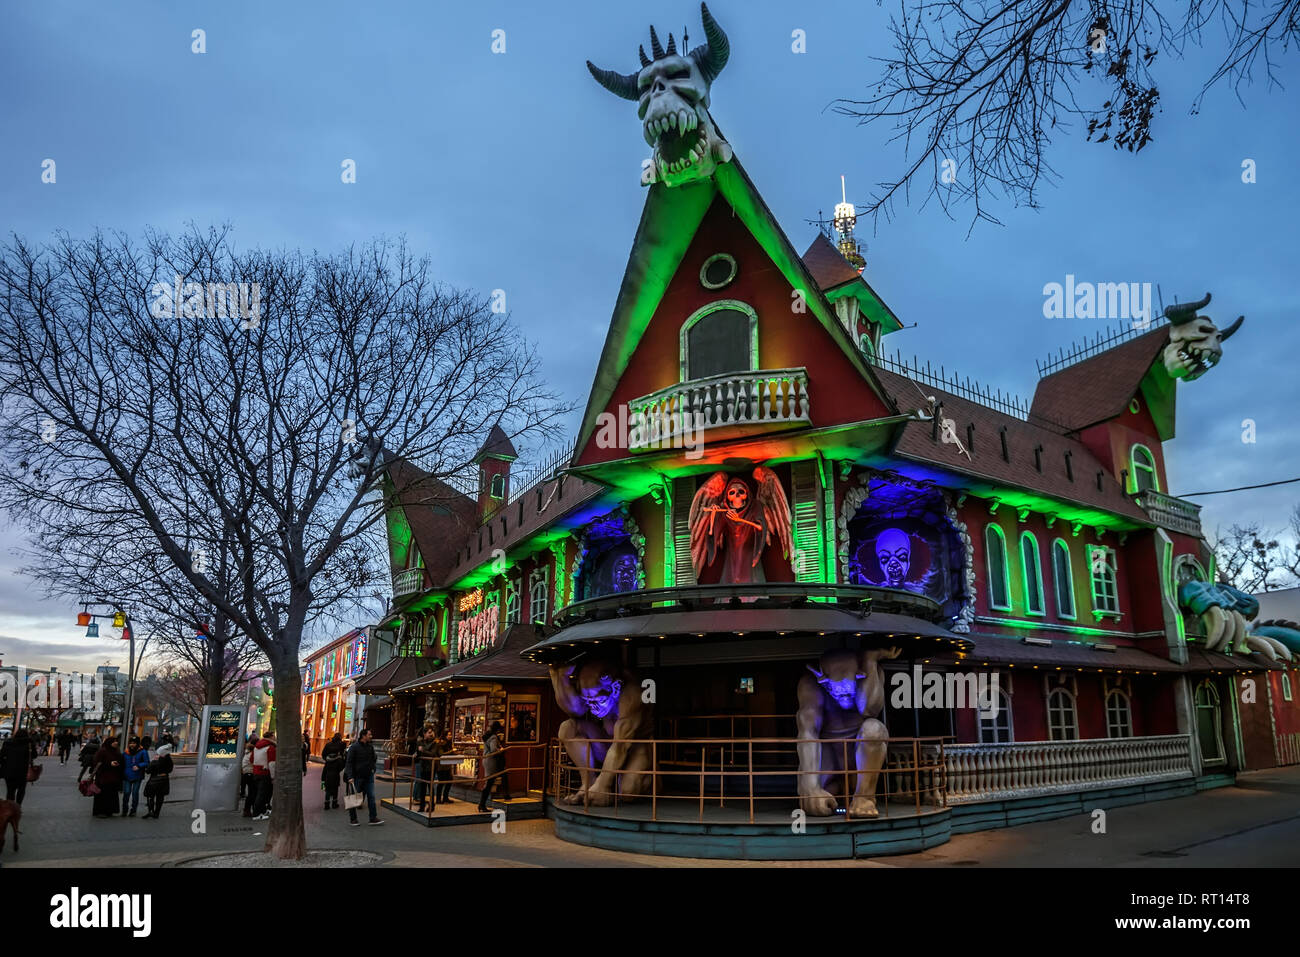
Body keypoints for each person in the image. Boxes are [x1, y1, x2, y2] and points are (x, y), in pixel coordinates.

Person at [343, 728, 382, 826]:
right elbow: (349, 763)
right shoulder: (354, 747)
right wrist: (350, 776)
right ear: (363, 736)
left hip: (368, 776)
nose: (371, 736)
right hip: (357, 776)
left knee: (371, 797)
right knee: (353, 797)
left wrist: (373, 769)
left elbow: (373, 758)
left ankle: (373, 818)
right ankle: (353, 819)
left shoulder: (370, 747)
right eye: (369, 734)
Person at [477, 722, 509, 812]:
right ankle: (482, 805)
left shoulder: (488, 736)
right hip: (492, 761)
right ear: (497, 729)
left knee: (501, 775)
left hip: (487, 760)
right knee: (489, 782)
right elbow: (493, 749)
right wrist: (501, 750)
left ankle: (506, 794)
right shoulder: (494, 737)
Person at [91, 737, 124, 818]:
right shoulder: (102, 751)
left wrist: (118, 763)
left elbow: (121, 761)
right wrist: (109, 764)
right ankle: (101, 811)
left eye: (116, 741)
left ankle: (110, 810)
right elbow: (97, 763)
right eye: (114, 741)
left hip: (113, 777)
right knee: (102, 794)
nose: (116, 743)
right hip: (103, 778)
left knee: (111, 794)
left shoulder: (116, 751)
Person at [0, 729, 35, 805]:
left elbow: (1, 756)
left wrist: (4, 764)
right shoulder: (29, 743)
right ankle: (18, 806)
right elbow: (34, 755)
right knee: (21, 790)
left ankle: (10, 807)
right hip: (23, 771)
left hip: (9, 770)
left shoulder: (7, 743)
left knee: (10, 791)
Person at [142, 742, 174, 819]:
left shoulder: (155, 761)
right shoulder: (169, 760)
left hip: (153, 781)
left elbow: (148, 771)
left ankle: (151, 811)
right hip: (164, 781)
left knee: (150, 796)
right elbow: (170, 770)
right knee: (160, 797)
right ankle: (156, 813)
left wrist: (153, 762)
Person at [251, 731, 276, 820]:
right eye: (274, 736)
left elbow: (251, 759)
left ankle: (261, 811)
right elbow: (272, 763)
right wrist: (273, 777)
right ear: (271, 737)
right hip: (265, 773)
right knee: (263, 794)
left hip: (256, 772)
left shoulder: (256, 746)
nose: (275, 737)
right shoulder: (271, 747)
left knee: (259, 793)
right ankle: (257, 814)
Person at [121, 737, 149, 817]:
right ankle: (124, 810)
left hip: (138, 776)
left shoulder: (143, 752)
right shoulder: (126, 752)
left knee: (135, 793)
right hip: (126, 775)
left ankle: (133, 810)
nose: (132, 745)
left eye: (134, 743)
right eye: (130, 743)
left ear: (137, 744)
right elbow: (121, 762)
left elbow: (147, 762)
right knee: (126, 792)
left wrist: (139, 766)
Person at [412, 728, 437, 813]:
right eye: (429, 732)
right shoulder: (420, 742)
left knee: (430, 788)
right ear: (424, 734)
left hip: (431, 767)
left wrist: (423, 751)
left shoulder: (434, 743)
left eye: (432, 732)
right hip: (423, 767)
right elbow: (418, 754)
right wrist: (415, 755)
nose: (431, 734)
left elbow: (433, 754)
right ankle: (422, 806)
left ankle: (432, 805)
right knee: (422, 788)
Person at [320, 733, 346, 810]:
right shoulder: (341, 745)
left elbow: (323, 754)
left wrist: (327, 759)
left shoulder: (328, 745)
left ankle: (326, 804)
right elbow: (343, 756)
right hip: (336, 769)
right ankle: (334, 803)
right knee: (335, 787)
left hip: (327, 768)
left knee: (327, 787)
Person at [240, 736, 259, 817]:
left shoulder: (248, 751)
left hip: (246, 773)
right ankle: (248, 810)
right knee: (252, 793)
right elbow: (254, 762)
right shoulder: (252, 753)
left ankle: (248, 810)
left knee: (252, 793)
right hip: (250, 773)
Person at [434, 735, 454, 804]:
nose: (450, 736)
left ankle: (445, 797)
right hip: (441, 766)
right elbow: (441, 754)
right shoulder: (439, 745)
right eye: (448, 735)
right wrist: (451, 751)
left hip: (447, 766)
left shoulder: (448, 744)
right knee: (441, 782)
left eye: (450, 735)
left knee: (449, 781)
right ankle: (438, 799)